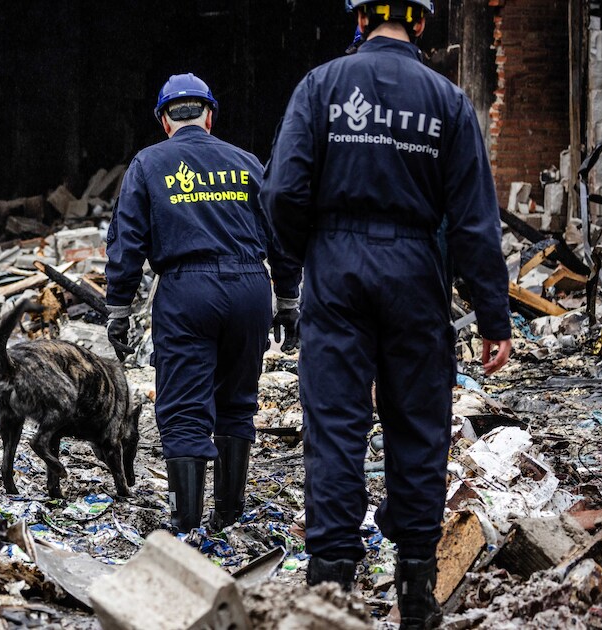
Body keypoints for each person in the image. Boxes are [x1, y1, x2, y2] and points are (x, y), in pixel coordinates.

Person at [260, 1, 512, 627]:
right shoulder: (448, 101)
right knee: (419, 430)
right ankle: (417, 594)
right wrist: (492, 315)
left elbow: (283, 190)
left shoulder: (320, 86)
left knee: (337, 428)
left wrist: (303, 255)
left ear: (359, 19)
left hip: (337, 269)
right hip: (415, 275)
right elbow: (477, 220)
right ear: (421, 23)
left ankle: (329, 593)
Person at [105, 73, 301, 533]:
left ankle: (185, 520)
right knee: (237, 403)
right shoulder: (248, 163)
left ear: (164, 121)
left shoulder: (149, 164)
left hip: (187, 293)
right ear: (209, 116)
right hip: (251, 288)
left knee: (184, 407)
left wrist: (118, 309)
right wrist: (289, 300)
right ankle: (229, 516)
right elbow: (282, 235)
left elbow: (126, 242)